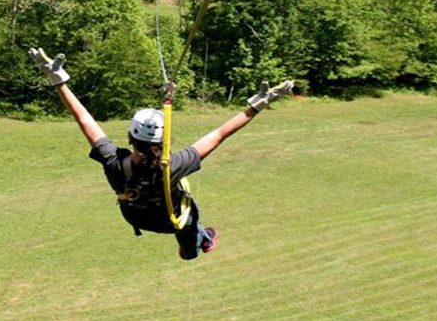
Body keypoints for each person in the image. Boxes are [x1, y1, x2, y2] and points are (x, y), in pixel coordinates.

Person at [29, 48, 293, 260]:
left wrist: (59, 82)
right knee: (189, 234)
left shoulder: (114, 161)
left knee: (186, 218)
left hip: (135, 216)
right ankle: (198, 243)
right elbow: (219, 134)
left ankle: (201, 237)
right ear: (163, 140)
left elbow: (84, 120)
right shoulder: (172, 165)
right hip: (172, 221)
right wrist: (256, 107)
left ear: (130, 137)